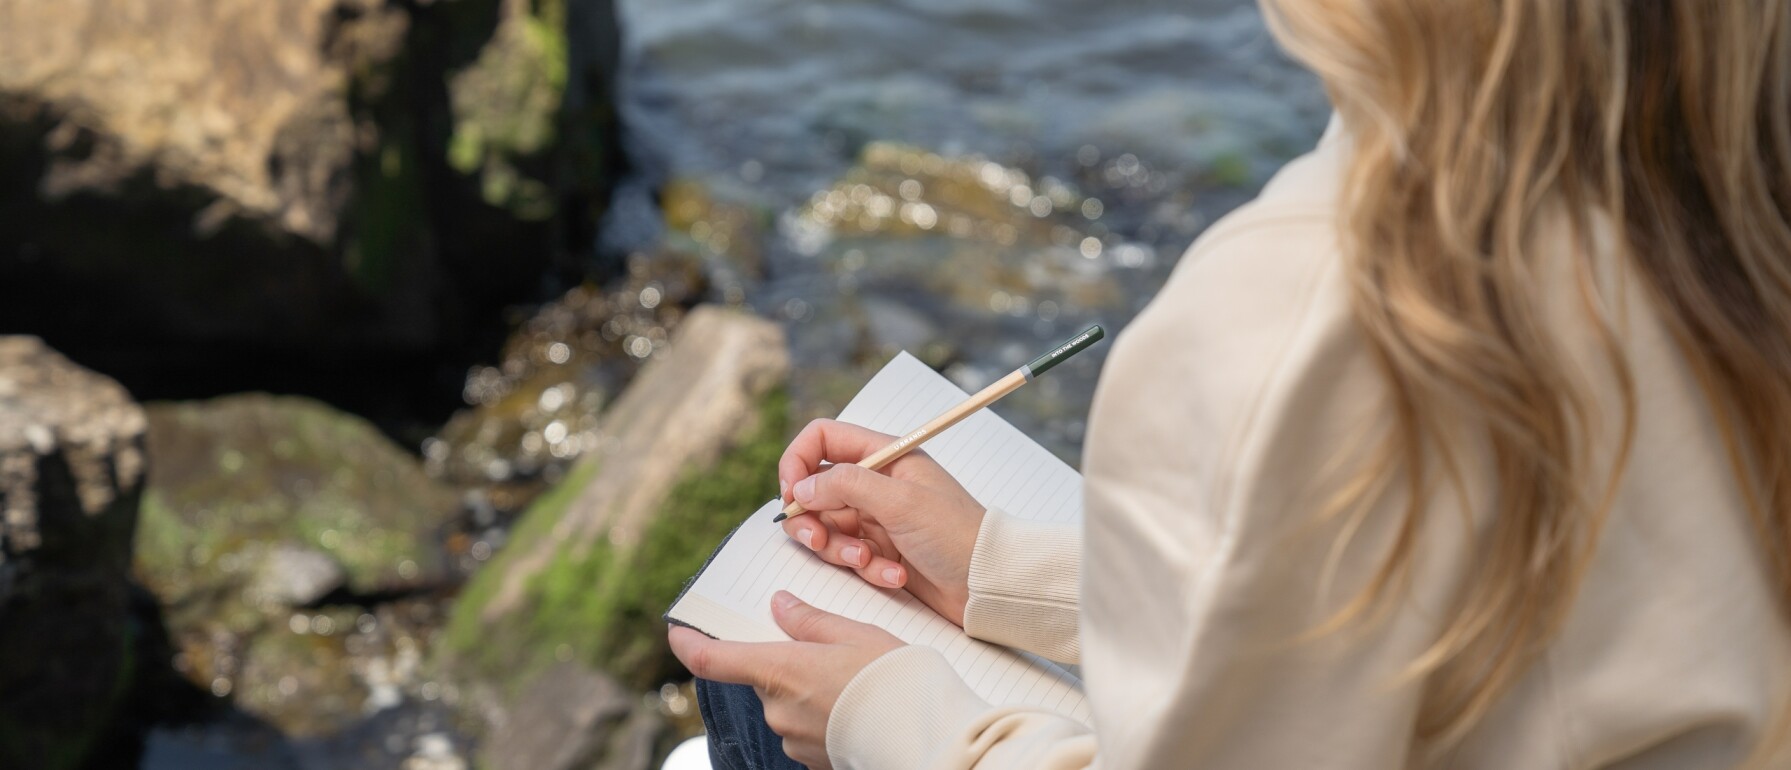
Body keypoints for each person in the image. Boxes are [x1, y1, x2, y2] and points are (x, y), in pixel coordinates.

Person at [668, 0, 1791, 767]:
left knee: (756, 692)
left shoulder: (1318, 304)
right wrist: (1002, 571)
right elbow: (1450, 631)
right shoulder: (1724, 208)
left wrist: (892, 716)